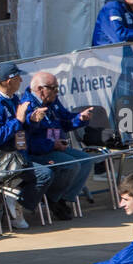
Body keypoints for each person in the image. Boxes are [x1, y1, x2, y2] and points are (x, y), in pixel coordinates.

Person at [0, 61, 42, 229]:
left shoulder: (13, 99)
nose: (21, 80)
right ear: (8, 81)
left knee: (53, 169)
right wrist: (18, 120)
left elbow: (21, 127)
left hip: (16, 154)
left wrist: (31, 120)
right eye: (18, 77)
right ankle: (14, 201)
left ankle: (15, 198)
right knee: (43, 174)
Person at [23, 71, 94, 221]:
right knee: (72, 165)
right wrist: (51, 144)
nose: (57, 91)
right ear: (41, 89)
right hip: (39, 152)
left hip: (54, 147)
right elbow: (27, 142)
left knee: (86, 160)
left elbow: (65, 120)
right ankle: (52, 199)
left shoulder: (52, 101)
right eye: (54, 88)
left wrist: (80, 118)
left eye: (57, 88)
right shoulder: (27, 107)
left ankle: (63, 198)